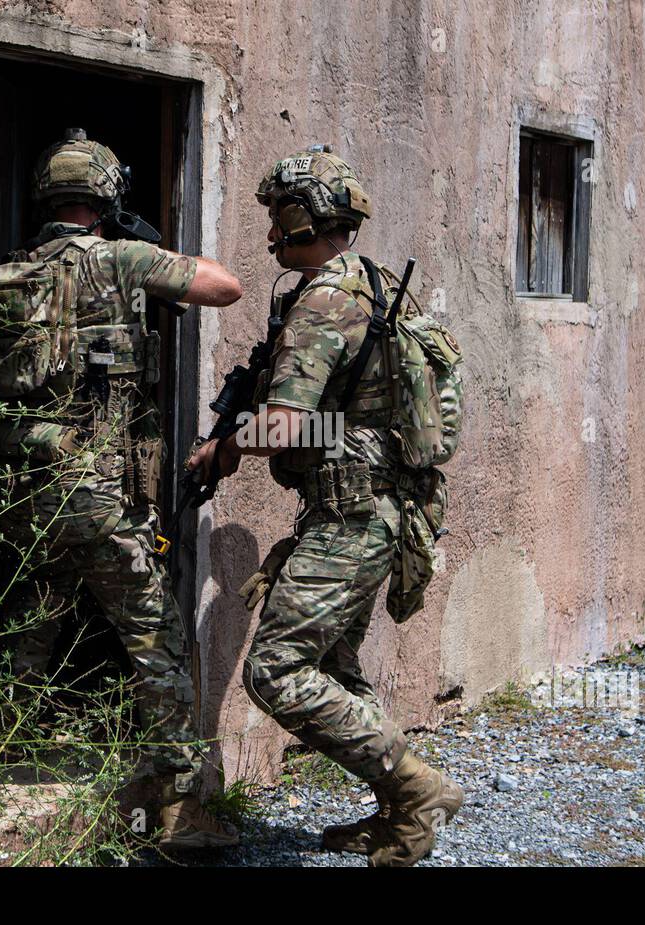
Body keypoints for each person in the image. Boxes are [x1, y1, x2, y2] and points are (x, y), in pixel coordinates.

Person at [188, 145, 464, 867]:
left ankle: (418, 786)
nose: (271, 230)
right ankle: (400, 817)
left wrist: (220, 451)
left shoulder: (324, 299)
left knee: (276, 669)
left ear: (297, 216)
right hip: (371, 511)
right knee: (335, 666)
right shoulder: (365, 283)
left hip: (354, 514)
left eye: (276, 215)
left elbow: (284, 425)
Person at [0, 129, 242, 848]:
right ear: (105, 199)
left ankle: (7, 751)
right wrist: (137, 239)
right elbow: (226, 286)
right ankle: (180, 808)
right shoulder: (122, 259)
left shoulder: (9, 274)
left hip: (26, 491)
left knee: (31, 624)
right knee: (154, 638)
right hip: (102, 496)